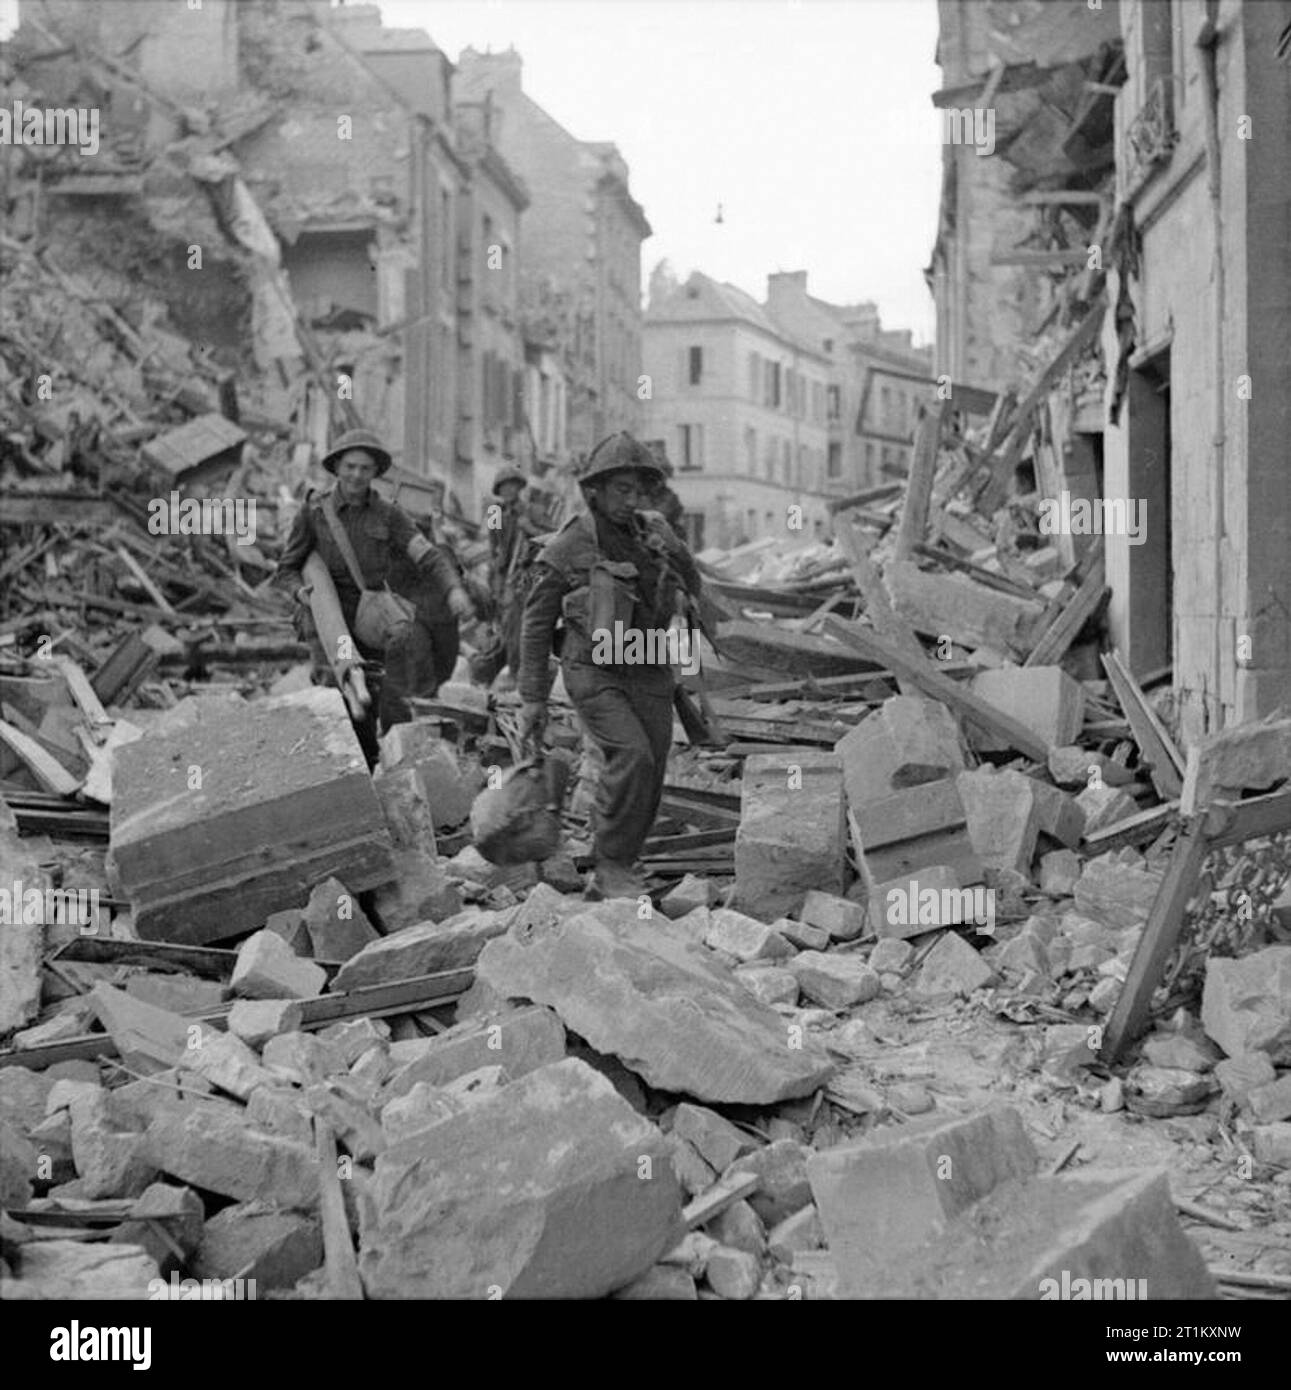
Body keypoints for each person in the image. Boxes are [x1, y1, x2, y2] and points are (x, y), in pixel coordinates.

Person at [517, 431, 705, 900]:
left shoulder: (652, 535)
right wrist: (532, 698)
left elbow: (694, 587)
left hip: (648, 664)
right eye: (621, 489)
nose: (632, 500)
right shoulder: (571, 544)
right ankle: (611, 863)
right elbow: (536, 623)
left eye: (639, 490)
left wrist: (676, 547)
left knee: (654, 764)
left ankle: (624, 860)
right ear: (594, 491)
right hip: (594, 670)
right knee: (632, 754)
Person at [275, 428, 473, 763]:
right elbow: (286, 569)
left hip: (369, 613)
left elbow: (428, 556)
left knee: (379, 683)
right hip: (325, 617)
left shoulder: (389, 515)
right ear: (337, 467)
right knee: (336, 694)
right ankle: (339, 770)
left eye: (365, 469)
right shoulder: (314, 512)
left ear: (375, 473)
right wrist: (301, 593)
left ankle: (380, 753)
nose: (356, 475)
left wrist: (453, 589)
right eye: (350, 466)